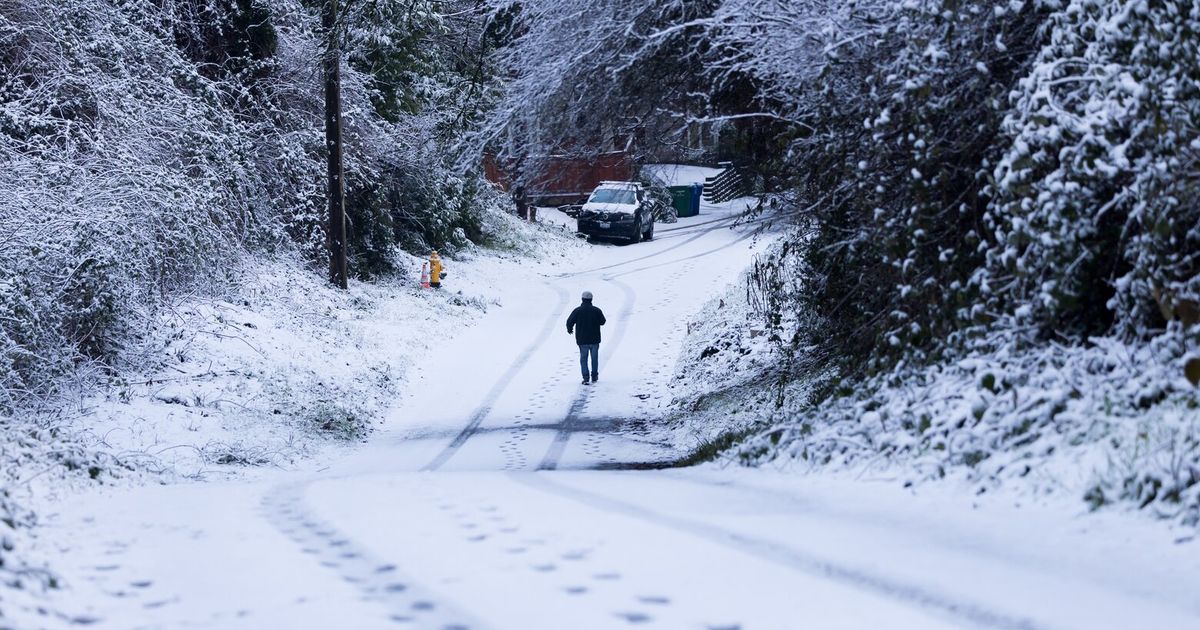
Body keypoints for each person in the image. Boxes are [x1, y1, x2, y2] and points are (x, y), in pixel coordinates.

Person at [566, 290, 606, 385]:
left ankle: (586, 377)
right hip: (595, 339)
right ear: (591, 299)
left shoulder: (577, 310)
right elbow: (603, 322)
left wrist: (569, 329)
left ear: (582, 299)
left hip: (582, 339)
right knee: (594, 358)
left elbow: (569, 322)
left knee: (583, 358)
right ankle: (595, 376)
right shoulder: (597, 310)